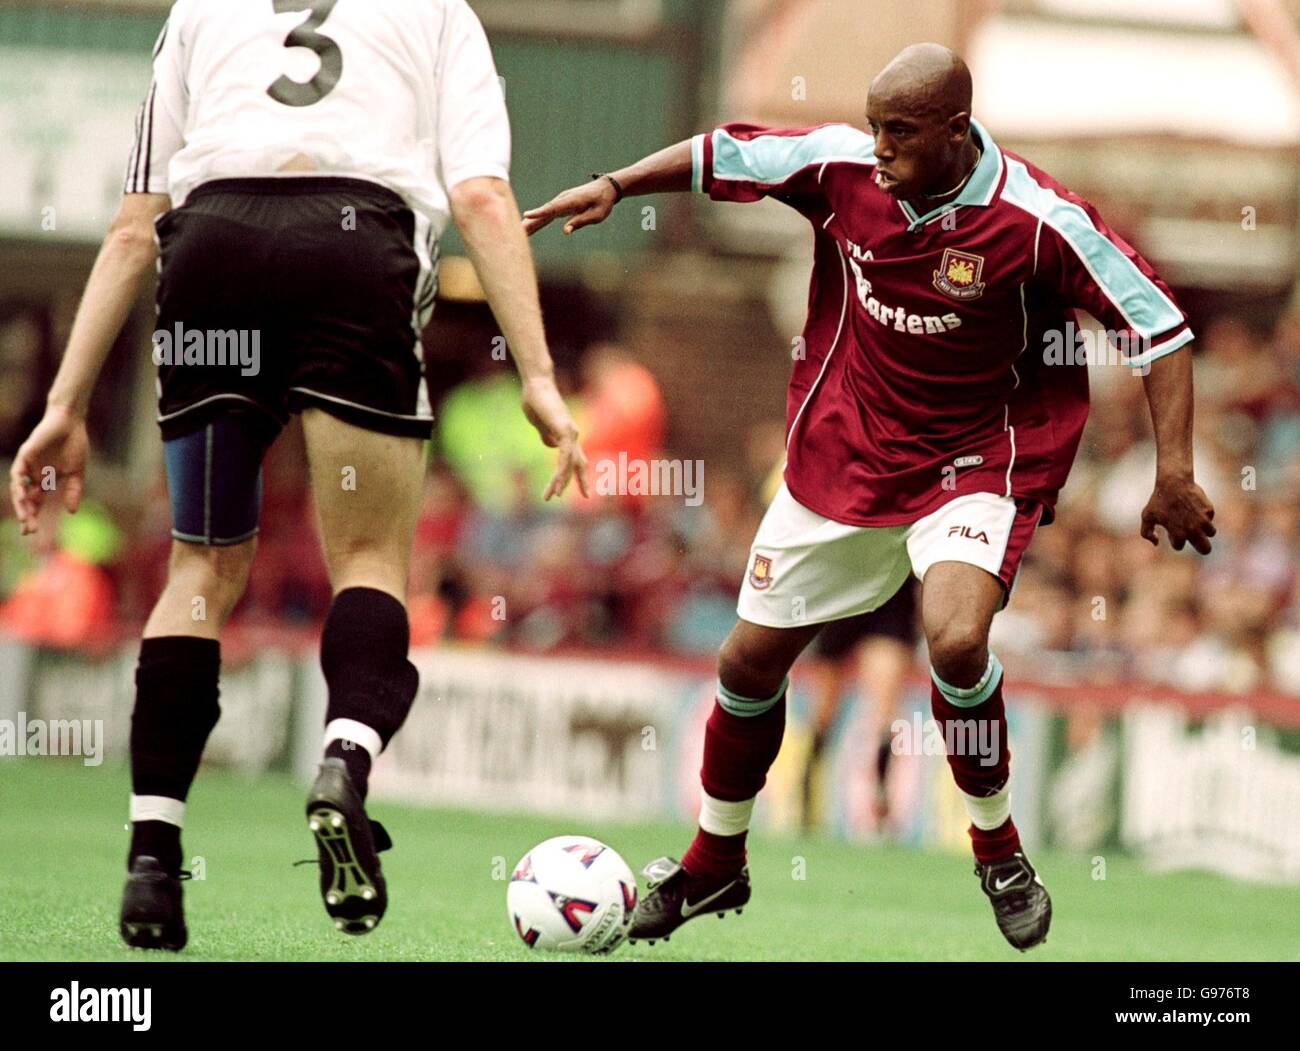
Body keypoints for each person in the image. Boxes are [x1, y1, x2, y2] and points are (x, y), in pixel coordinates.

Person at [525, 42, 1215, 951]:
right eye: (876, 124)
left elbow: (1159, 327)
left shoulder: (1038, 219)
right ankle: (713, 863)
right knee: (743, 666)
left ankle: (998, 848)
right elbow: (724, 153)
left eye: (900, 131)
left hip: (980, 457)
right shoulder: (843, 169)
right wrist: (616, 184)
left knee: (958, 637)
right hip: (845, 455)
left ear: (956, 133)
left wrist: (1174, 472)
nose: (879, 146)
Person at [9, 0, 586, 951]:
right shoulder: (439, 12)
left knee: (200, 571)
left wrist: (65, 405)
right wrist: (539, 376)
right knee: (366, 556)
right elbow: (482, 197)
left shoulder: (202, 8)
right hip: (354, 249)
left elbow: (130, 228)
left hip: (214, 251)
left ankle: (154, 855)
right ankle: (345, 757)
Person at [801, 581, 918, 833]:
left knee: (886, 709)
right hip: (843, 592)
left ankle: (882, 804)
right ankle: (806, 797)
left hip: (892, 598)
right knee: (823, 712)